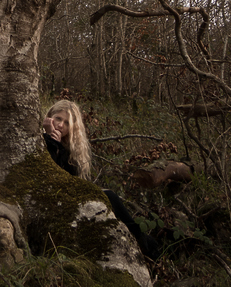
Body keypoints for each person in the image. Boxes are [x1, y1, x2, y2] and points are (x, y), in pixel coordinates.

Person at [43, 99, 161, 260]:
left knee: (110, 197)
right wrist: (51, 141)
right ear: (50, 117)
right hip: (53, 198)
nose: (60, 125)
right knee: (109, 196)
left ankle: (143, 241)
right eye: (58, 118)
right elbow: (49, 174)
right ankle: (144, 242)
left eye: (67, 123)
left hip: (71, 193)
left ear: (72, 127)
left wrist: (58, 145)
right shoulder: (40, 140)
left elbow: (73, 178)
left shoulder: (71, 148)